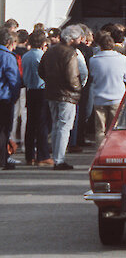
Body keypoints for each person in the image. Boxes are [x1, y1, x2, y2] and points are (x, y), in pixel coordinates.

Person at [37, 25, 83, 170]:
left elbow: (41, 70)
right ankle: (59, 159)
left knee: (57, 125)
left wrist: (50, 81)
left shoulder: (50, 50)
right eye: (78, 38)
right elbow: (72, 76)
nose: (80, 40)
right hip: (67, 94)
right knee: (64, 127)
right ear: (72, 39)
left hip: (52, 92)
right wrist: (78, 89)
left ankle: (57, 157)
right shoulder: (70, 53)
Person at [87, 33, 126, 142]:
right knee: (115, 128)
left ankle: (100, 149)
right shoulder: (123, 59)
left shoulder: (93, 60)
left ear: (100, 45)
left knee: (100, 129)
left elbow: (92, 75)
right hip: (117, 97)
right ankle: (115, 148)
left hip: (99, 97)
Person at [19, 30, 52, 166]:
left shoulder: (25, 56)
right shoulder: (43, 56)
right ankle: (43, 155)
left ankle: (29, 156)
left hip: (30, 90)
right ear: (43, 43)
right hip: (41, 90)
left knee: (30, 124)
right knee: (42, 124)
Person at [0, 29, 22, 170]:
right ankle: (3, 158)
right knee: (4, 130)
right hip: (4, 97)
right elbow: (14, 80)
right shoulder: (8, 57)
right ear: (9, 42)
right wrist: (15, 96)